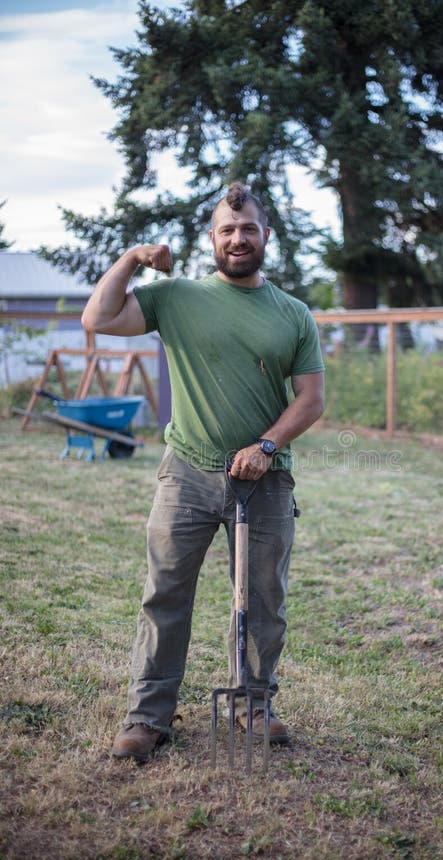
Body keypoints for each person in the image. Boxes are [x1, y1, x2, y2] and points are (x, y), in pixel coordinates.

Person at [81, 181, 325, 761]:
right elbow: (97, 317)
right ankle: (147, 718)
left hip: (264, 479)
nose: (238, 239)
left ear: (266, 235)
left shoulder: (293, 314)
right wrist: (135, 257)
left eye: (248, 229)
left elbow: (311, 399)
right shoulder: (176, 297)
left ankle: (253, 705)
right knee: (165, 593)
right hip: (186, 472)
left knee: (263, 598)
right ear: (212, 239)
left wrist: (266, 445)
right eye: (227, 230)